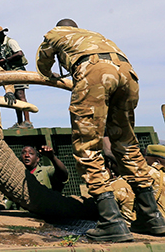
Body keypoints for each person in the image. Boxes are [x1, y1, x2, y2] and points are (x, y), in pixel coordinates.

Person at [37, 19, 165, 241]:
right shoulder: (94, 35)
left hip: (95, 73)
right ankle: (152, 217)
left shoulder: (55, 34)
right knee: (127, 145)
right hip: (128, 74)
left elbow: (42, 65)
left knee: (87, 148)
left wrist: (52, 74)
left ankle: (110, 222)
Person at [0, 26, 32, 128]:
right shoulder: (1, 45)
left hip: (18, 72)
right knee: (14, 97)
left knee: (21, 96)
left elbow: (19, 53)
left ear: (0, 34)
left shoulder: (10, 42)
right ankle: (20, 122)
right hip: (10, 73)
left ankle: (27, 121)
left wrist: (6, 60)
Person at [4, 146, 69, 209]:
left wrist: (52, 157)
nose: (27, 155)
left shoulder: (46, 171)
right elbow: (8, 199)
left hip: (45, 213)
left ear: (37, 159)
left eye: (31, 153)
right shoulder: (17, 175)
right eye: (24, 153)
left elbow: (63, 175)